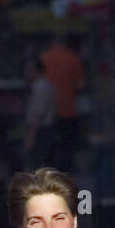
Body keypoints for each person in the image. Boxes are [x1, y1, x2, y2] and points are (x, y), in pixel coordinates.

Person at [40, 36, 85, 172]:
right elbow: (81, 85)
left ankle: (48, 171)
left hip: (47, 110)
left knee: (48, 146)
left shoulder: (44, 58)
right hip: (68, 109)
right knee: (67, 145)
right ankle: (65, 171)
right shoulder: (73, 59)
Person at [22, 57, 56, 169]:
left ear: (36, 70)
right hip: (42, 131)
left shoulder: (40, 88)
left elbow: (39, 115)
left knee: (38, 167)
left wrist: (31, 137)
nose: (26, 73)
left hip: (41, 132)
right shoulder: (45, 85)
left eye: (28, 70)